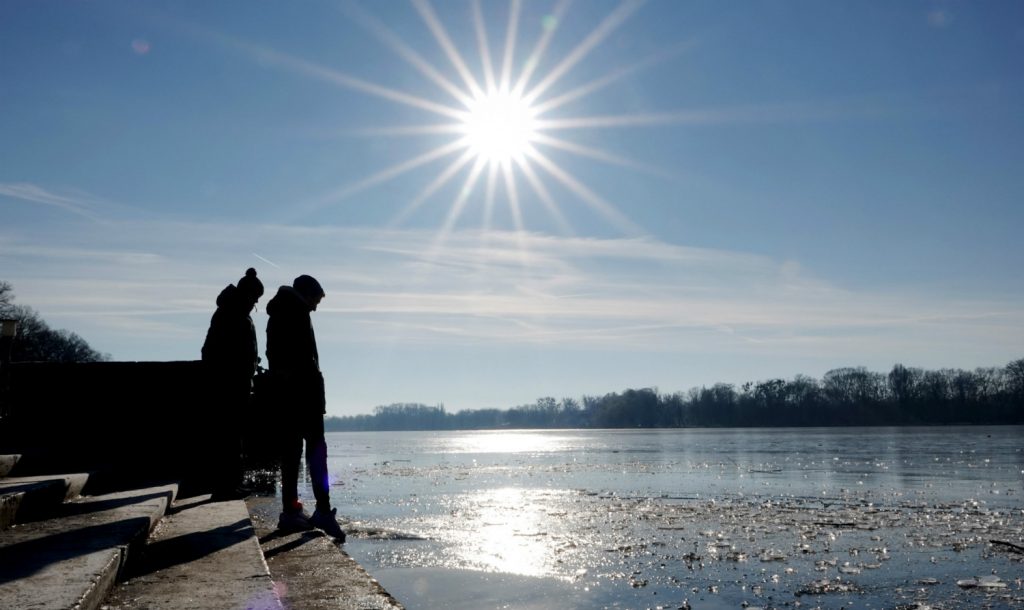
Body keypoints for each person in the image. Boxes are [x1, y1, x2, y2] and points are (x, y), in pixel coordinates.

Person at [265, 274, 346, 541]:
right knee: (316, 454)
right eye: (316, 301)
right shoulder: (295, 313)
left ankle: (291, 510)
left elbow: (278, 357)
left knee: (290, 456)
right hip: (302, 398)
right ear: (307, 295)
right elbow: (300, 361)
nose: (315, 307)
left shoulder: (283, 312)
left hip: (288, 398)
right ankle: (321, 510)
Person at [201, 267, 264, 499]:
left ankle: (230, 484)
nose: (255, 303)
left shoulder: (232, 312)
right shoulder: (231, 314)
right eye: (255, 298)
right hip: (229, 385)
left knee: (232, 436)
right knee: (228, 437)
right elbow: (216, 351)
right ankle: (225, 486)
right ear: (248, 294)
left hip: (235, 383)